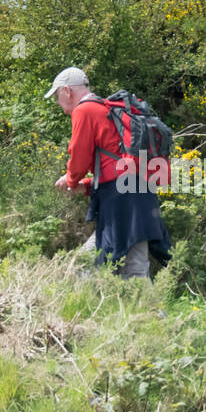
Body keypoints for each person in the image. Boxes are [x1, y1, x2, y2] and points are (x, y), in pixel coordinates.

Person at [45, 66, 171, 279]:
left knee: (89, 266)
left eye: (57, 96)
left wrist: (71, 179)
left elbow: (80, 154)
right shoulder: (106, 108)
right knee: (135, 267)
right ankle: (144, 312)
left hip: (122, 198)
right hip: (140, 192)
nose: (58, 103)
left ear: (67, 91)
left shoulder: (84, 110)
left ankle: (79, 306)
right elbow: (114, 163)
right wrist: (85, 186)